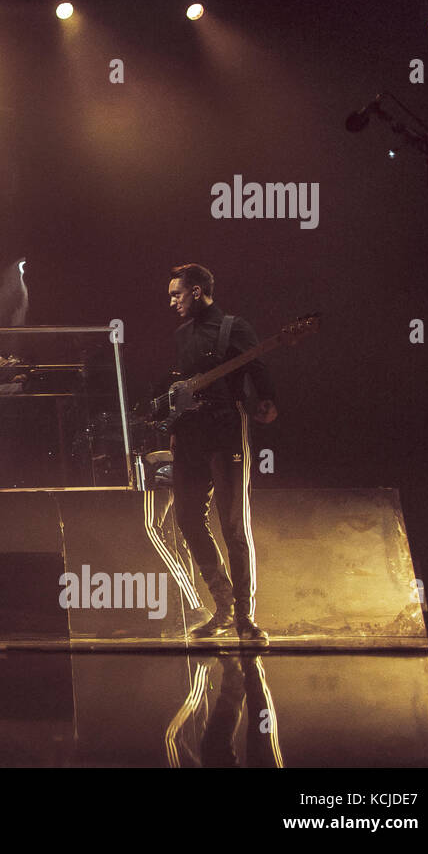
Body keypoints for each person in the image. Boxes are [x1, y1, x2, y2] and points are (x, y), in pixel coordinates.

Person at [165, 263, 276, 644]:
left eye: (177, 294)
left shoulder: (234, 327)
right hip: (190, 438)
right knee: (188, 518)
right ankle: (223, 606)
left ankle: (245, 616)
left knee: (232, 525)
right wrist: (175, 429)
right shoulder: (181, 335)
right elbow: (180, 386)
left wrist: (267, 399)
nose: (172, 302)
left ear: (197, 291)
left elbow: (258, 366)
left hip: (226, 431)